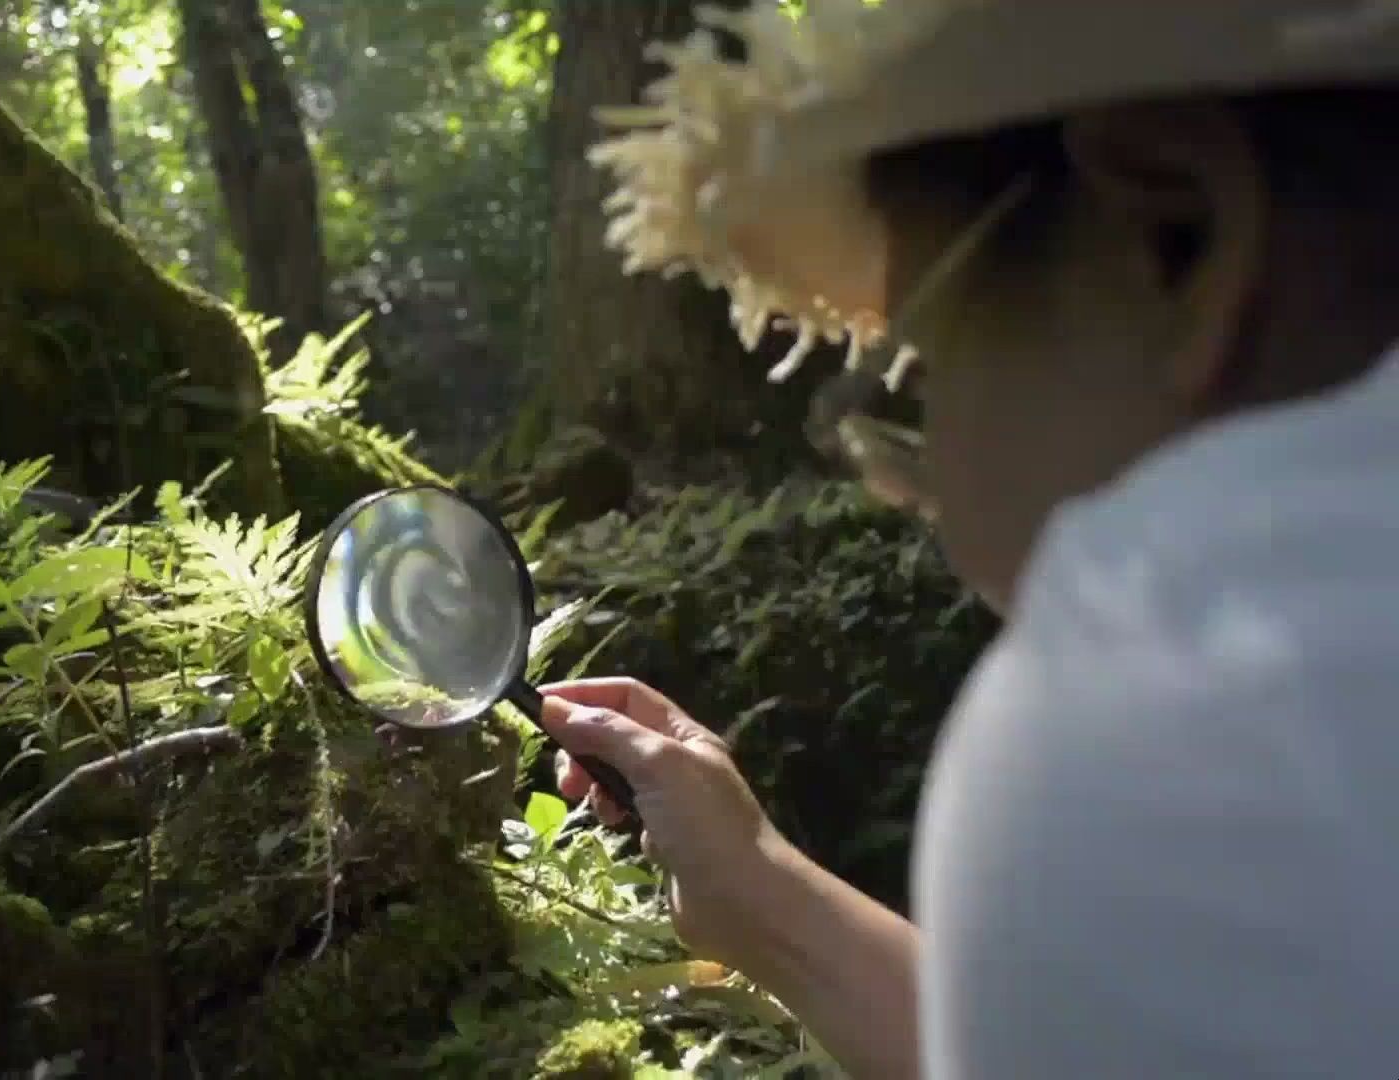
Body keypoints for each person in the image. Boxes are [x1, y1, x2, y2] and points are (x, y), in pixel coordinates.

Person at [539, 4, 1399, 1078]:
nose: (919, 477)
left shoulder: (1171, 687)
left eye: (929, 364)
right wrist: (760, 890)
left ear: (1176, 235)